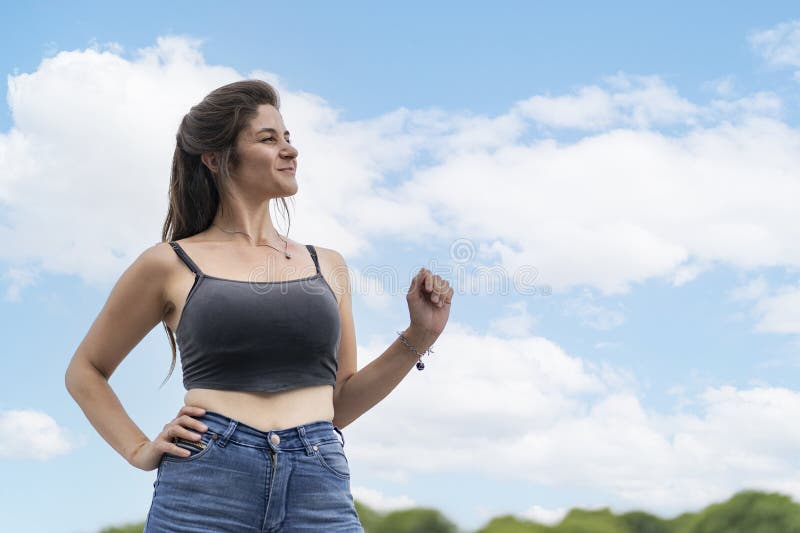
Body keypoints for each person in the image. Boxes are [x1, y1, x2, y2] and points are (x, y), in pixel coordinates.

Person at [64, 79, 453, 532]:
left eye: (288, 138)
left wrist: (419, 335)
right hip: (206, 482)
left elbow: (339, 402)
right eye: (268, 139)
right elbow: (85, 370)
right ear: (214, 159)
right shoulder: (168, 263)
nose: (290, 151)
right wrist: (138, 449)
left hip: (317, 479)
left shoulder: (326, 264)